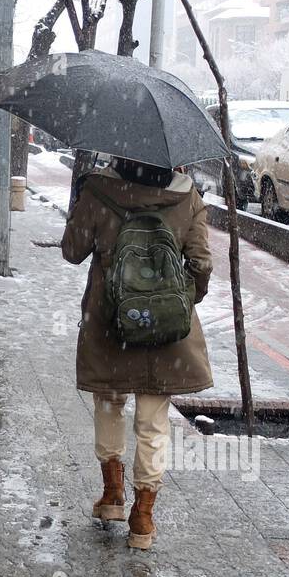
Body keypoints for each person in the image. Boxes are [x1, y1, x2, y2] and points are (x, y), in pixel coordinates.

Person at [60, 156, 213, 549]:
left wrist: (81, 199)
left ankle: (112, 494)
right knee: (153, 420)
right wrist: (174, 303)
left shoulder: (99, 190)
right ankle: (142, 518)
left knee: (109, 402)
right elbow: (200, 263)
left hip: (111, 321)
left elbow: (73, 251)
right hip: (165, 330)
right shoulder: (187, 195)